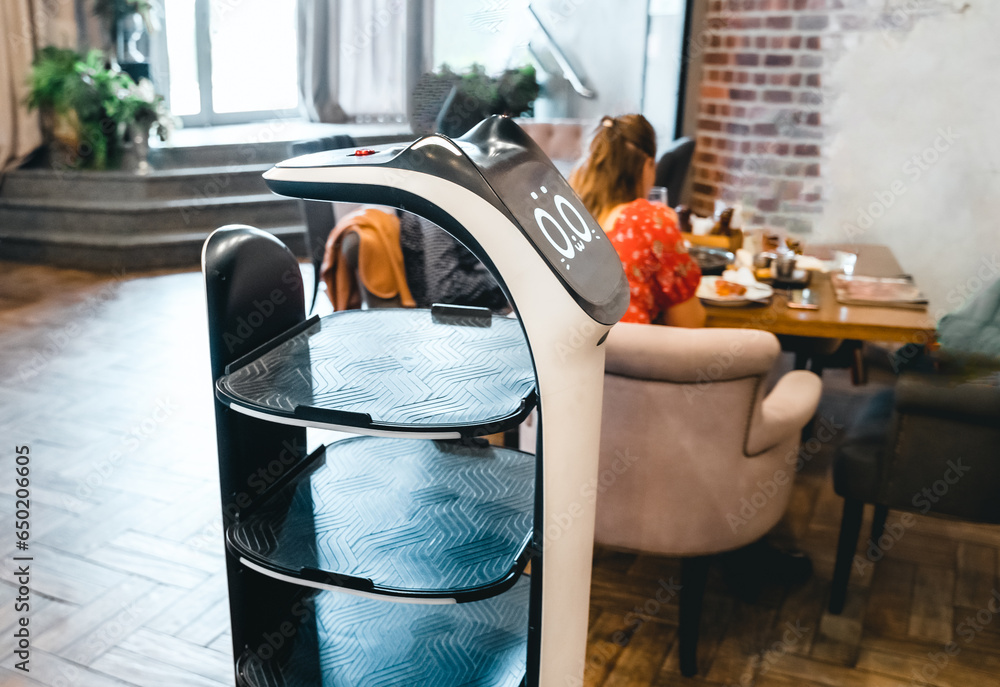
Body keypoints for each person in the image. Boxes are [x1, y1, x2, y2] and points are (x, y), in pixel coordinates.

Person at [570, 114, 706, 328]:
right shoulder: (648, 219)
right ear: (648, 165)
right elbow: (689, 323)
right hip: (635, 358)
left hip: (576, 354)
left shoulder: (570, 215)